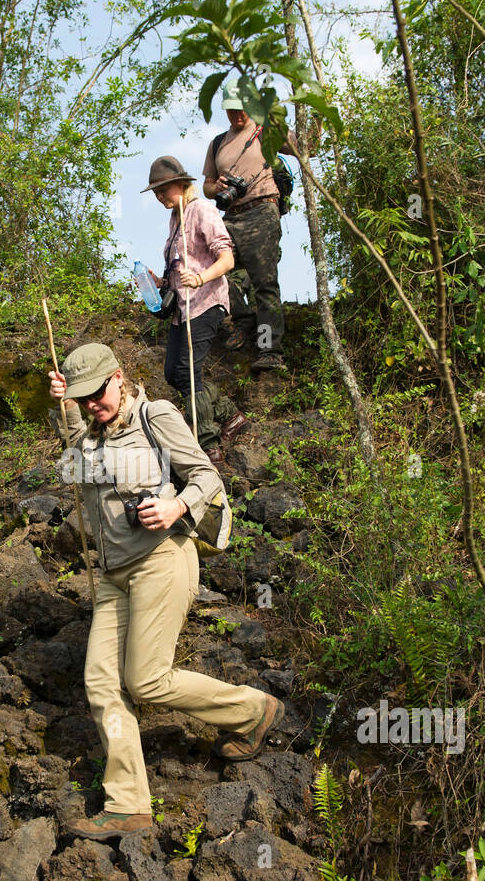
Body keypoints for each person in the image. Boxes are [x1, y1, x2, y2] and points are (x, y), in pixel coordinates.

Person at [47, 342, 285, 841]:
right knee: (102, 684)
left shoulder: (156, 415)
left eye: (97, 395)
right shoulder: (90, 431)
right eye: (83, 399)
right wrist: (64, 406)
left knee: (147, 680)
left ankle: (253, 709)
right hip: (114, 575)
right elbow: (77, 454)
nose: (93, 405)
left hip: (162, 559)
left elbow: (206, 475)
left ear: (118, 377)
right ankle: (127, 803)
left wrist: (176, 506)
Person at [141, 154, 249, 464]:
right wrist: (160, 281)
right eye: (156, 192)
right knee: (173, 373)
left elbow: (226, 259)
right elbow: (183, 266)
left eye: (163, 190)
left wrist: (200, 278)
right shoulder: (175, 218)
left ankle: (207, 443)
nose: (160, 197)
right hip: (181, 309)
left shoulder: (202, 210)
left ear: (181, 184)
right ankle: (229, 415)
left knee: (189, 370)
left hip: (206, 302)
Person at [202, 80, 300, 373]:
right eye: (231, 110)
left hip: (262, 211)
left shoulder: (265, 132)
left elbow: (306, 148)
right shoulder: (218, 142)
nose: (237, 116)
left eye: (242, 109)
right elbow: (206, 185)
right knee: (213, 269)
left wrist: (310, 113)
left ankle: (270, 350)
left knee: (264, 283)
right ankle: (243, 322)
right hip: (230, 216)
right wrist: (215, 186)